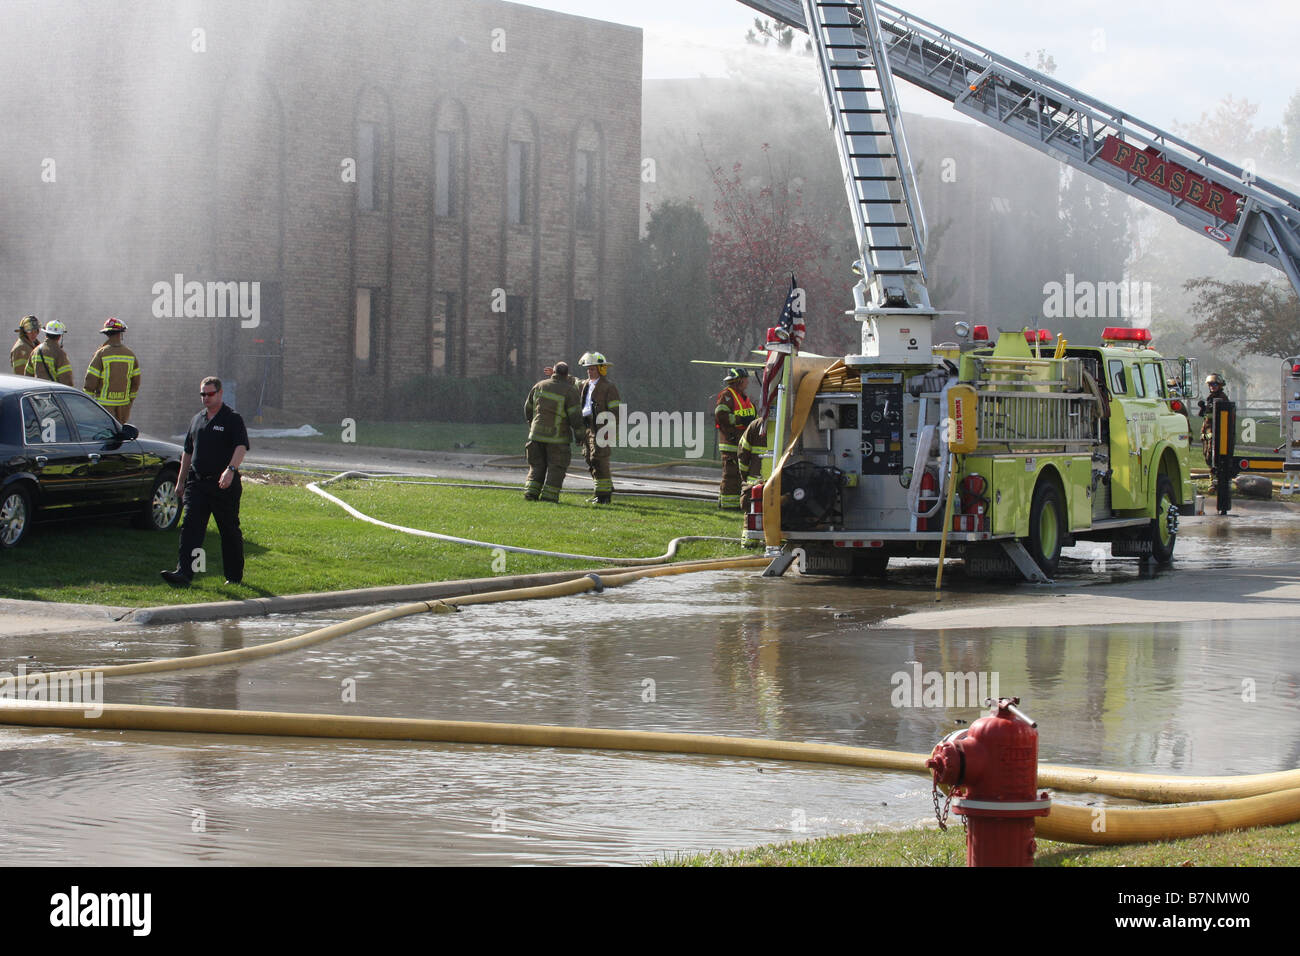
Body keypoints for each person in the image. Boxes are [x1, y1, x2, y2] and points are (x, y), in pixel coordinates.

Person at [161, 377, 249, 587]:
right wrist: (181, 481)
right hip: (197, 484)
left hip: (223, 485)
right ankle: (184, 574)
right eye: (203, 394)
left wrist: (230, 470)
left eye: (210, 394)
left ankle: (234, 576)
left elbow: (241, 447)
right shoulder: (197, 420)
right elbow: (187, 452)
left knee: (228, 530)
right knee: (190, 528)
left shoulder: (232, 419)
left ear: (220, 394)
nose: (206, 398)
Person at [523, 361, 583, 503]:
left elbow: (528, 408)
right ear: (566, 374)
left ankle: (531, 493)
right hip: (557, 438)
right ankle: (549, 497)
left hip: (536, 436)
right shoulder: (570, 391)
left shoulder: (539, 386)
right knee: (556, 468)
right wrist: (580, 436)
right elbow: (575, 417)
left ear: (554, 372)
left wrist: (532, 425)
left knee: (537, 465)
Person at [577, 351, 622, 504]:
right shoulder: (584, 384)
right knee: (589, 458)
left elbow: (615, 411)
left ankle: (603, 497)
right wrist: (555, 373)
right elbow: (572, 380)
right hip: (587, 426)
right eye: (588, 369)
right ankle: (603, 489)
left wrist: (610, 430)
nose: (590, 372)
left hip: (601, 427)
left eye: (593, 369)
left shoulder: (609, 387)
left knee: (600, 460)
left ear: (601, 370)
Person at [84, 317, 142, 423]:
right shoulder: (130, 354)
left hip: (104, 407)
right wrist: (129, 401)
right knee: (120, 435)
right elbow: (136, 382)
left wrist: (88, 402)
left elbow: (91, 379)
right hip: (123, 406)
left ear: (107, 334)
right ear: (121, 334)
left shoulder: (101, 353)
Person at [714, 367, 756, 510]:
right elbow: (721, 415)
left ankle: (736, 503)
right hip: (730, 442)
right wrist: (740, 419)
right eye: (746, 380)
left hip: (741, 443)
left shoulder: (744, 397)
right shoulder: (727, 395)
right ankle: (728, 506)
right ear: (739, 381)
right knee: (731, 475)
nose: (748, 382)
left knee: (740, 475)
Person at [1198, 372, 1235, 515]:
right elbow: (1206, 417)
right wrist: (1203, 409)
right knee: (1208, 458)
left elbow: (1218, 417)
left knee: (1214, 459)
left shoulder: (1221, 399)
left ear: (1220, 385)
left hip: (1216, 436)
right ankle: (1214, 483)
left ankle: (1216, 484)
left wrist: (1208, 409)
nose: (1212, 387)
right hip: (1208, 435)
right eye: (1210, 385)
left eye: (1214, 384)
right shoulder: (1211, 398)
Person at [25, 320, 74, 385]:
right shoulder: (60, 353)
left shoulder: (35, 351)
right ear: (59, 336)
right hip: (52, 393)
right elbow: (66, 378)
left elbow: (28, 374)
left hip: (37, 392)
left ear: (46, 334)